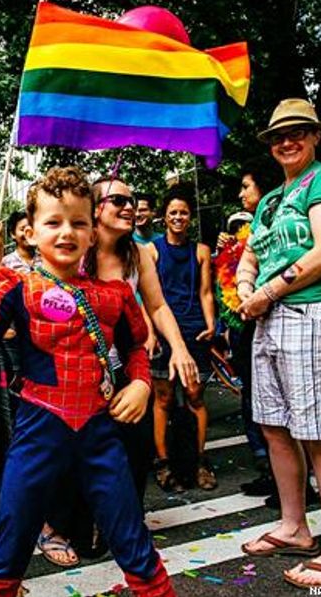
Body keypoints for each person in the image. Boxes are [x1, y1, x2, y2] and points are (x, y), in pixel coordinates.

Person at [0, 166, 175, 597]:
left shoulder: (113, 294)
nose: (67, 232)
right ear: (29, 231)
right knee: (12, 543)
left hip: (100, 431)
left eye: (79, 222)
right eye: (53, 222)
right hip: (37, 429)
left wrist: (140, 385)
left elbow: (137, 346)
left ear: (93, 232)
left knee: (131, 537)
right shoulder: (13, 286)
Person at [237, 98, 321, 589]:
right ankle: (295, 526)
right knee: (274, 426)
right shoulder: (271, 199)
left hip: (316, 313)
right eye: (277, 136)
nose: (286, 142)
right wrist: (248, 287)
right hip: (269, 319)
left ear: (315, 135)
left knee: (319, 432)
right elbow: (250, 256)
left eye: (297, 132)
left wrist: (268, 291)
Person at [86, 176, 197, 501]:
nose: (129, 207)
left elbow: (158, 305)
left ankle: (130, 519)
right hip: (77, 373)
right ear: (94, 210)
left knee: (135, 447)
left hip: (122, 366)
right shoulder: (76, 249)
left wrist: (179, 348)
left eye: (131, 200)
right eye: (118, 200)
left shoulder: (139, 254)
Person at [215, 159, 281, 497]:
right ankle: (269, 468)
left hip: (269, 322)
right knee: (254, 397)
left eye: (246, 186)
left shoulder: (276, 225)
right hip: (243, 325)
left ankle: (289, 476)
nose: (241, 194)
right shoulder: (245, 235)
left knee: (272, 399)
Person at [148, 184, 218, 491]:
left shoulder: (201, 251)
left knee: (194, 396)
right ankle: (163, 464)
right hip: (163, 332)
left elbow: (205, 292)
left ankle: (200, 460)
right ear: (164, 217)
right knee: (162, 397)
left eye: (184, 212)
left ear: (190, 216)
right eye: (173, 212)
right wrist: (150, 332)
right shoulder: (150, 250)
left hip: (194, 329)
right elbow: (148, 297)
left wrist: (212, 324)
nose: (178, 217)